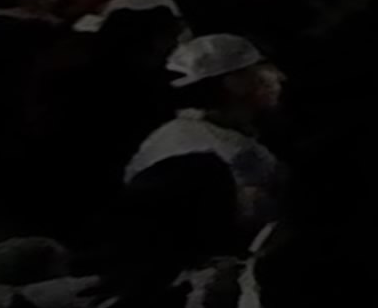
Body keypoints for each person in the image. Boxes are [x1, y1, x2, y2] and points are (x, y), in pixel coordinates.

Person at [124, 34, 289, 224]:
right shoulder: (191, 146)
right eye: (261, 67)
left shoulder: (222, 132)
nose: (279, 77)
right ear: (234, 83)